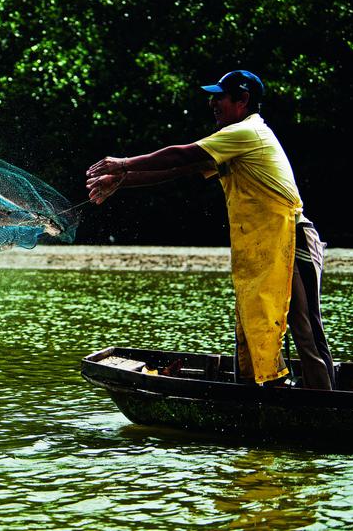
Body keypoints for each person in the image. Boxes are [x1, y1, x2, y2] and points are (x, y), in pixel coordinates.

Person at [85, 70, 334, 389]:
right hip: (265, 246)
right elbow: (180, 169)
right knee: (253, 323)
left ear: (242, 100)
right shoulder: (233, 141)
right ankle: (260, 393)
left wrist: (123, 163)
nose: (212, 102)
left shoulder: (248, 132)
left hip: (292, 239)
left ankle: (325, 401)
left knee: (305, 330)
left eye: (220, 96)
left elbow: (183, 152)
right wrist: (123, 180)